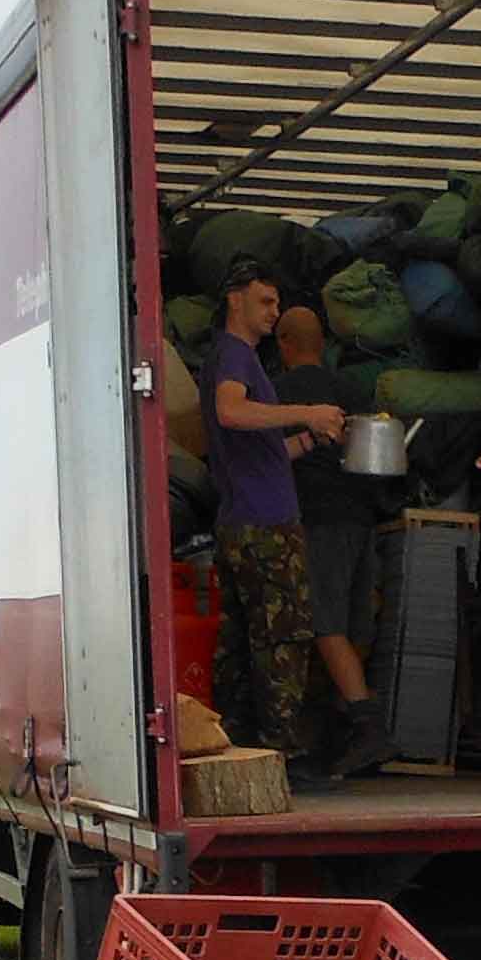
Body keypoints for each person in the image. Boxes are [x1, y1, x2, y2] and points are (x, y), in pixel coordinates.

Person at [201, 265, 347, 779]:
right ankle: (280, 753)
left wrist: (309, 440)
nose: (274, 311)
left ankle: (240, 749)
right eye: (265, 301)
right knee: (284, 638)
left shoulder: (236, 357)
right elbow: (231, 412)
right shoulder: (235, 355)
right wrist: (305, 411)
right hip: (265, 523)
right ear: (235, 301)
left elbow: (259, 450)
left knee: (243, 642)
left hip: (244, 518)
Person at [266, 304, 391, 778]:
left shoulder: (278, 398)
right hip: (361, 519)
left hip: (317, 521)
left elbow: (263, 462)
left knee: (325, 623)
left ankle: (366, 726)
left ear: (283, 344)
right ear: (322, 343)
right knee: (354, 624)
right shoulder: (351, 391)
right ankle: (349, 729)